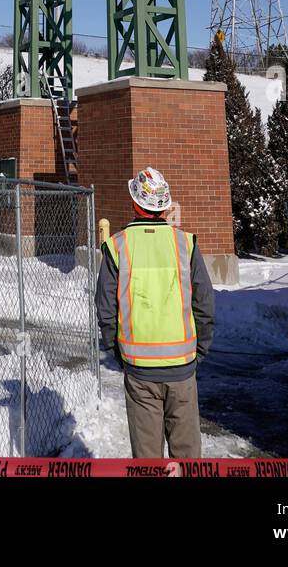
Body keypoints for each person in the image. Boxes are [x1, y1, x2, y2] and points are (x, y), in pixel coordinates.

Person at [95, 166, 215, 458]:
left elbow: (105, 307)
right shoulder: (185, 244)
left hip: (139, 371)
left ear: (135, 203)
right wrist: (200, 349)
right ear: (164, 206)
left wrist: (117, 349)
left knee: (147, 459)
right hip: (183, 368)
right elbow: (205, 302)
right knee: (188, 456)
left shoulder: (117, 247)